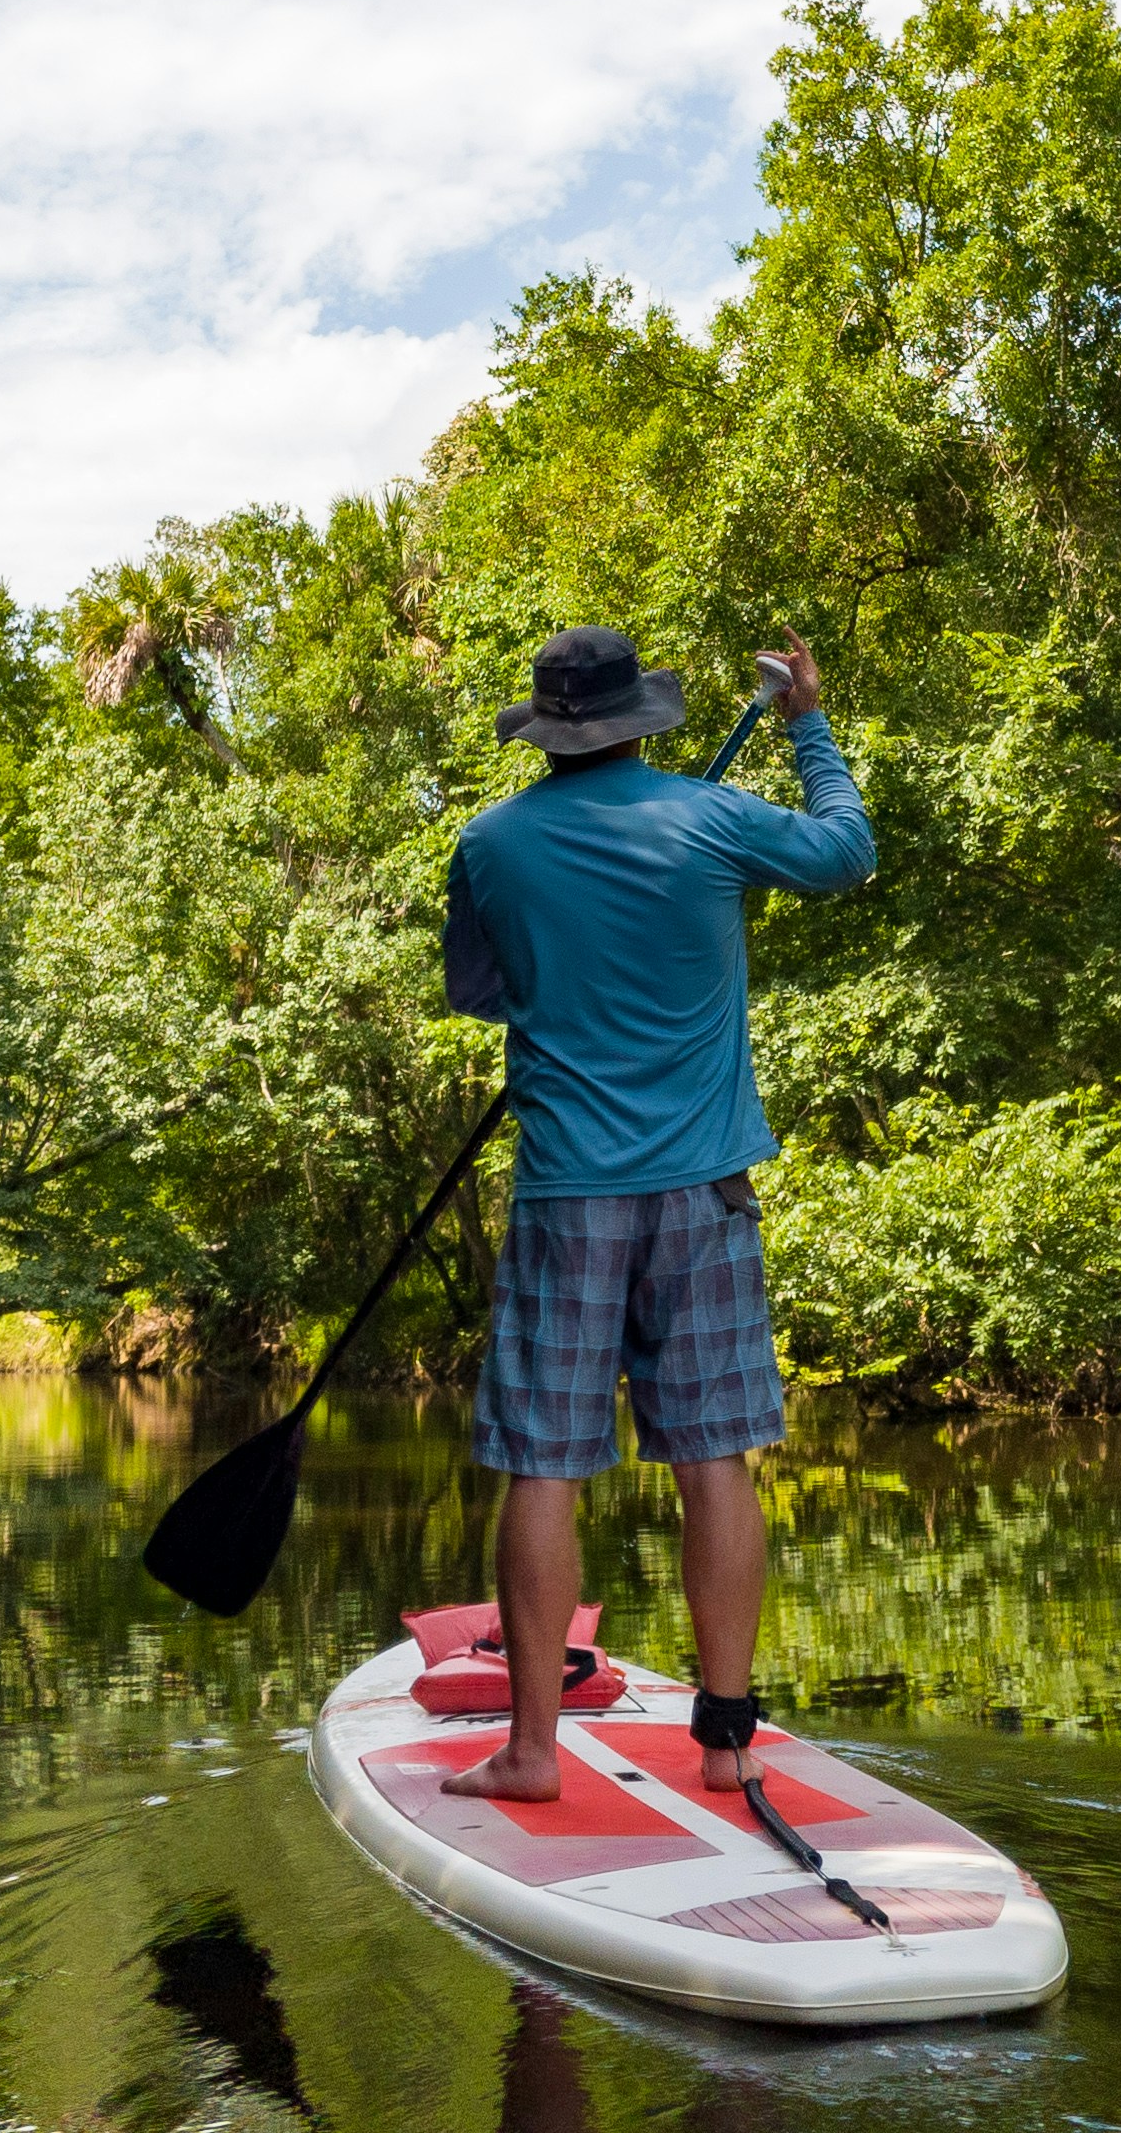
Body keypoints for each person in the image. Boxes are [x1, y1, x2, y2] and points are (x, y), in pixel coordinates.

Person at [433, 623, 874, 1801]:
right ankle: (725, 1740)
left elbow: (479, 991)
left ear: (548, 728)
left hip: (569, 1195)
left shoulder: (488, 844)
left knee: (542, 1467)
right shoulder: (707, 818)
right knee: (712, 1457)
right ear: (640, 717)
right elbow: (846, 850)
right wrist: (804, 724)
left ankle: (532, 1752)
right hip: (703, 1193)